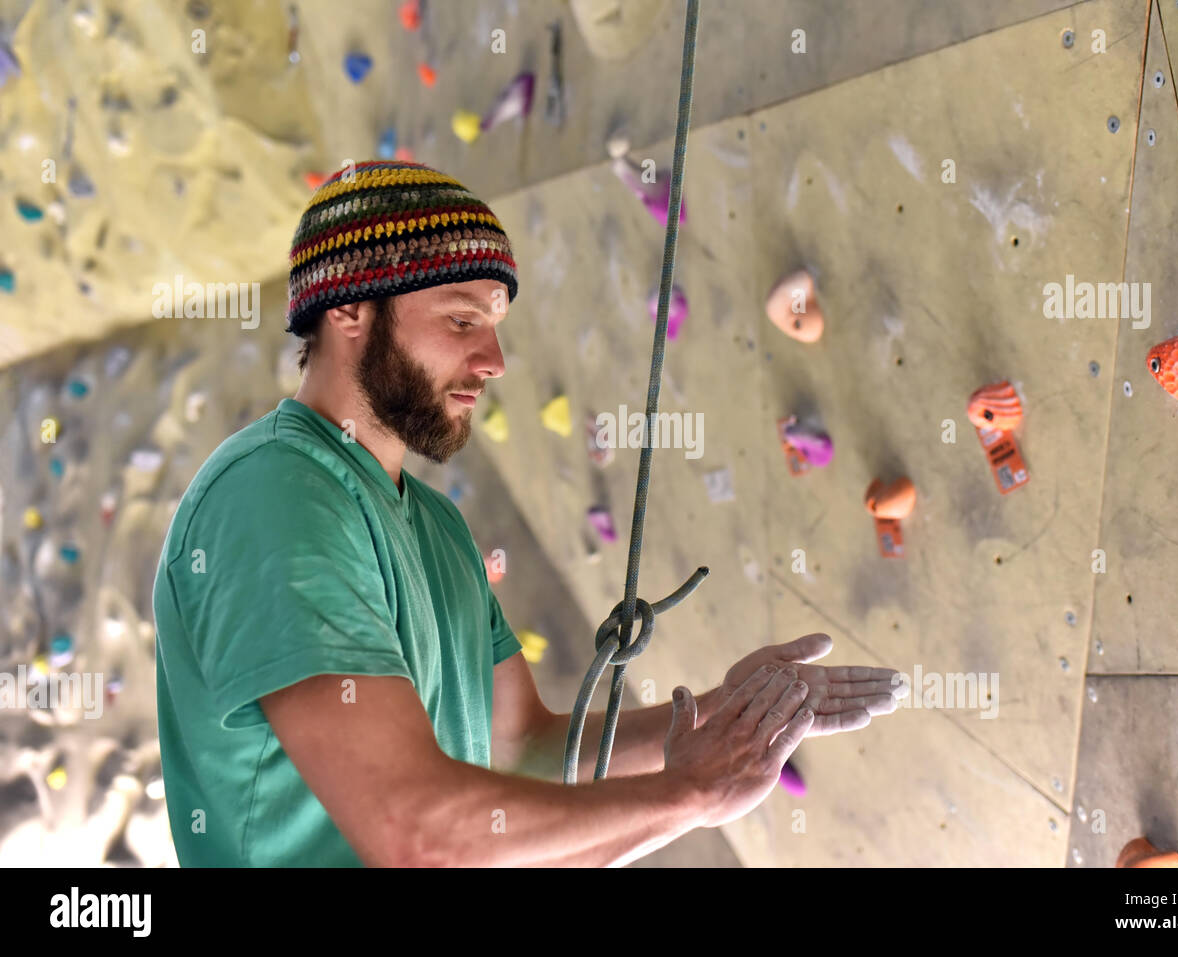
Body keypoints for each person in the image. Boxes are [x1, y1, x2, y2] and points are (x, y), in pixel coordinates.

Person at [152, 160, 906, 867]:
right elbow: (410, 826)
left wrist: (723, 719)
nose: (494, 359)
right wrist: (690, 793)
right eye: (459, 320)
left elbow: (524, 748)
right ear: (349, 307)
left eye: (495, 321)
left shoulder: (437, 529)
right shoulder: (276, 496)